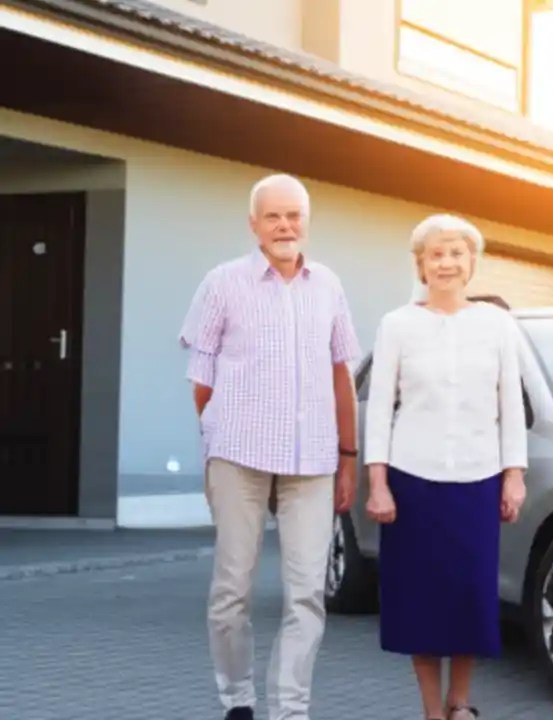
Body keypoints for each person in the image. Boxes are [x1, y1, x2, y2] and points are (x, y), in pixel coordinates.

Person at [179, 174, 362, 720]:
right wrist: (219, 438)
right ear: (254, 224)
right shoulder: (222, 283)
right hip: (239, 458)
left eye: (294, 216)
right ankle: (238, 700)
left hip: (313, 464)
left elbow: (341, 376)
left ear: (307, 221)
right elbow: (201, 378)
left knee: (306, 594)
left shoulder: (328, 285)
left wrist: (347, 458)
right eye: (274, 216)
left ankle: (289, 711)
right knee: (232, 591)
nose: (285, 226)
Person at [363, 214, 528, 720]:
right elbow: (378, 409)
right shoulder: (397, 325)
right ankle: (432, 712)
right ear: (421, 265)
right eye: (436, 254)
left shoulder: (498, 324)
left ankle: (461, 705)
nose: (447, 263)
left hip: (477, 481)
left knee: (469, 598)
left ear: (471, 263)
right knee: (421, 601)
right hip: (414, 483)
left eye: (456, 253)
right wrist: (378, 483)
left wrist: (514, 474)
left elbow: (511, 404)